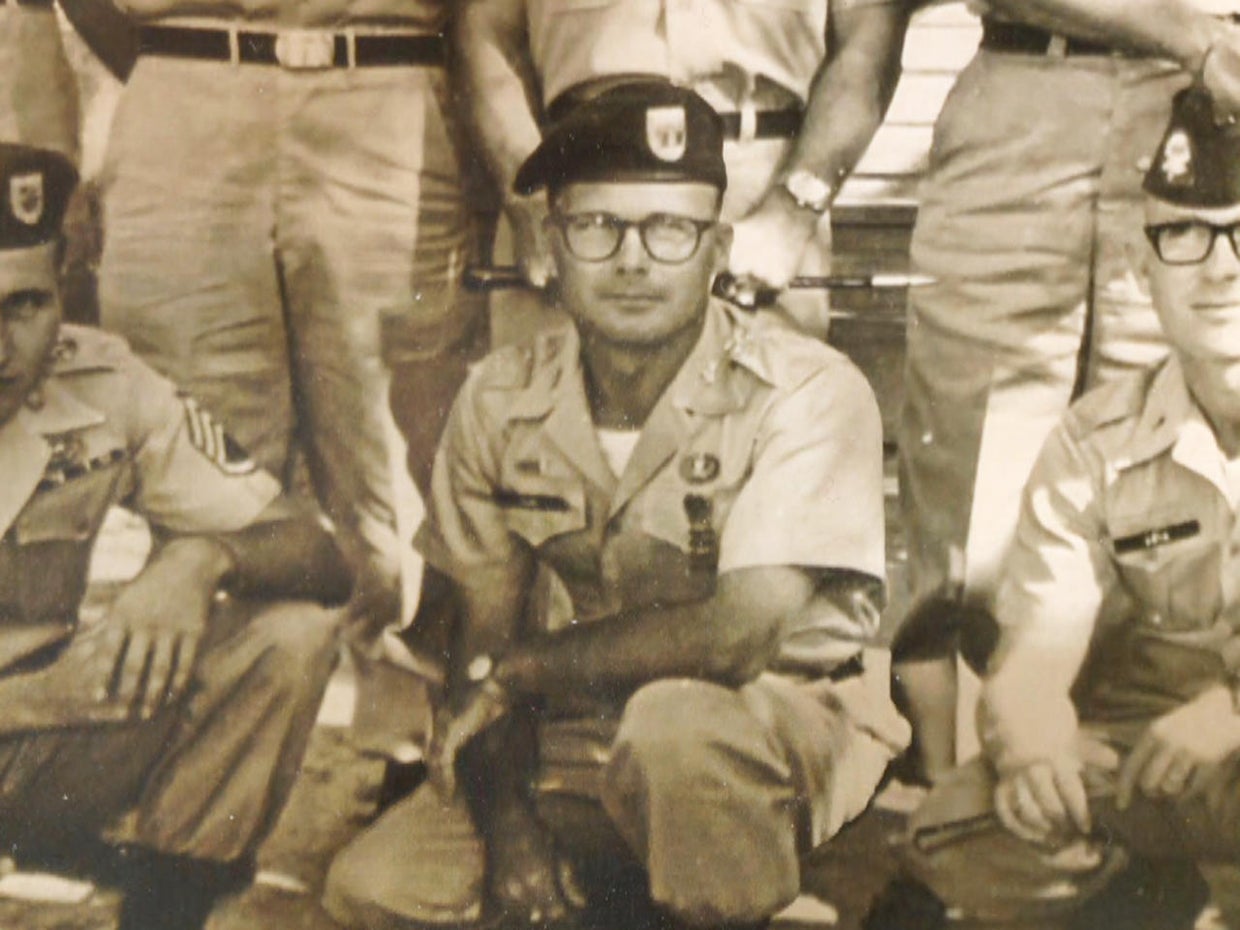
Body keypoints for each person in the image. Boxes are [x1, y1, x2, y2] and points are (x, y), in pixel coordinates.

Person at [322, 80, 911, 930]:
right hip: (577, 739)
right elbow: (479, 650)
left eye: (670, 229)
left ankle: (750, 895)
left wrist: (523, 672)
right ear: (551, 246)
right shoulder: (500, 398)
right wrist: (511, 831)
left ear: (717, 250)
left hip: (778, 723)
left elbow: (736, 635)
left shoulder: (807, 392)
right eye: (597, 227)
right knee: (378, 890)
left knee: (674, 734)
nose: (632, 261)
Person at [881, 86, 1240, 930]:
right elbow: (1037, 653)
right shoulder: (1097, 440)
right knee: (960, 836)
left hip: (1219, 734)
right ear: (1143, 267)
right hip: (1157, 759)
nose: (1220, 268)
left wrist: (1230, 714)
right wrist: (1034, 742)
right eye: (1183, 235)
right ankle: (1163, 894)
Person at [0, 140, 353, 930]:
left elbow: (323, 558)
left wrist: (202, 558)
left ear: (62, 287)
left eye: (22, 306)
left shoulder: (101, 380)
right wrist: (33, 699)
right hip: (32, 708)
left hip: (42, 749)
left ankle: (168, 908)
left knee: (287, 637)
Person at [455, 0, 911, 339]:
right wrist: (529, 201)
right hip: (574, 187)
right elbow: (485, 38)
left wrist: (790, 217)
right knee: (555, 444)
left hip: (754, 194)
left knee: (762, 438)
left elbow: (868, 48)